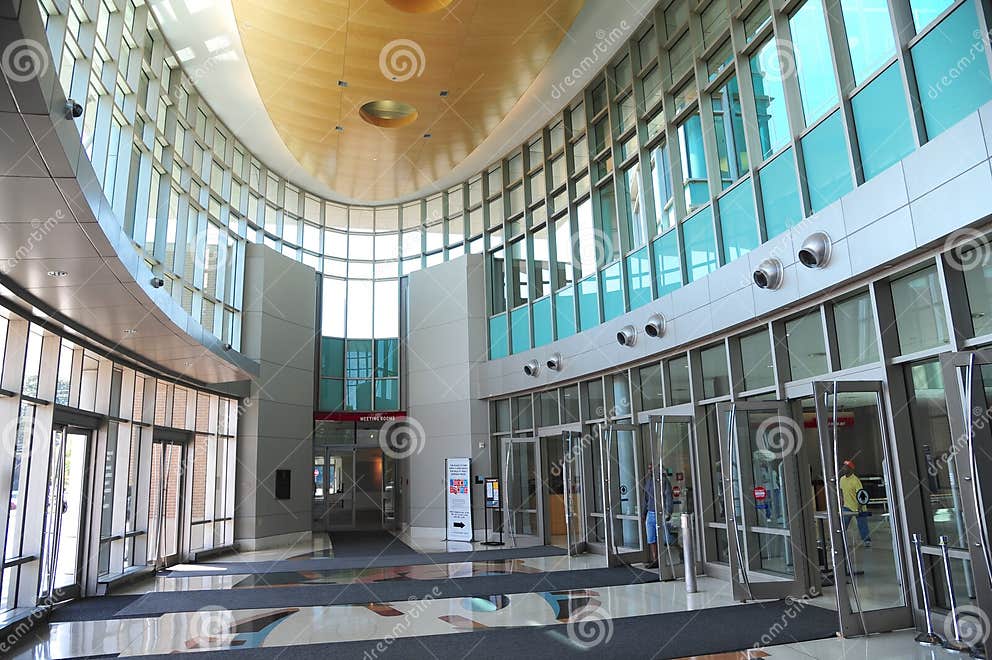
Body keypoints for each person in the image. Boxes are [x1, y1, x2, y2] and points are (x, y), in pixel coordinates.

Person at [839, 459, 871, 547]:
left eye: (845, 467)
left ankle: (867, 541)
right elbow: (841, 492)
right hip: (847, 506)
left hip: (859, 506)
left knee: (862, 525)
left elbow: (861, 494)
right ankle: (839, 539)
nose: (843, 468)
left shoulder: (855, 480)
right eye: (843, 466)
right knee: (843, 524)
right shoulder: (842, 479)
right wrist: (841, 503)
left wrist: (860, 507)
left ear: (850, 469)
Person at [641, 464, 659, 569]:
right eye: (648, 468)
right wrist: (643, 513)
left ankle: (665, 560)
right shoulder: (648, 482)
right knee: (651, 538)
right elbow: (645, 499)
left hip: (659, 513)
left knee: (664, 538)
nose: (649, 470)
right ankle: (655, 560)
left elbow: (667, 496)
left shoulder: (663, 481)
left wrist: (668, 511)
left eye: (651, 468)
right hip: (650, 513)